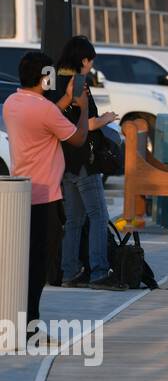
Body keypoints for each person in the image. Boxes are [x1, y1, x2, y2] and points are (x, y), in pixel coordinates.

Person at [2, 50, 89, 339]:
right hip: (47, 197)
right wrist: (83, 107)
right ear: (45, 77)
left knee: (21, 263)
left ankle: (19, 322)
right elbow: (77, 139)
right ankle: (31, 327)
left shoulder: (12, 103)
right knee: (39, 267)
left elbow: (46, 117)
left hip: (23, 194)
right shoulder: (45, 110)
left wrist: (65, 100)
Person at [46, 36, 119, 287]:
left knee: (74, 219)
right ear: (83, 59)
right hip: (83, 160)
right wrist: (106, 119)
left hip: (64, 161)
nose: (90, 66)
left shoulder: (55, 81)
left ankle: (70, 271)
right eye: (90, 61)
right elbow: (83, 125)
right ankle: (99, 271)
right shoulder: (77, 83)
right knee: (98, 215)